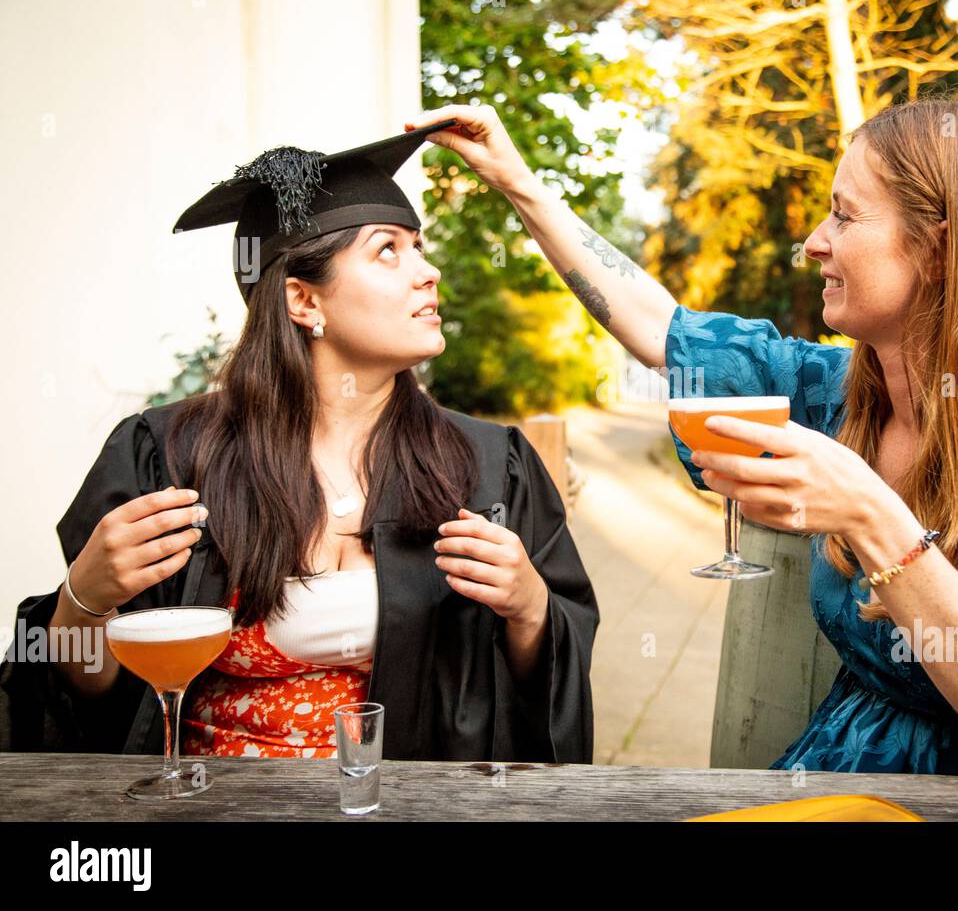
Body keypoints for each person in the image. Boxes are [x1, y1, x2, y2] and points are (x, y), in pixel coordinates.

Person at [410, 98, 958, 782]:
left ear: (939, 248)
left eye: (844, 216)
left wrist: (872, 517)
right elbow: (658, 327)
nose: (813, 242)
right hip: (843, 763)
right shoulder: (836, 394)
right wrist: (517, 181)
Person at [0, 126, 598, 762]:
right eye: (388, 252)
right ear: (304, 299)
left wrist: (532, 608)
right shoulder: (170, 456)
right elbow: (91, 701)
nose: (430, 271)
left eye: (419, 247)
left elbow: (543, 691)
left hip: (405, 808)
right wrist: (83, 599)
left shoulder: (485, 467)